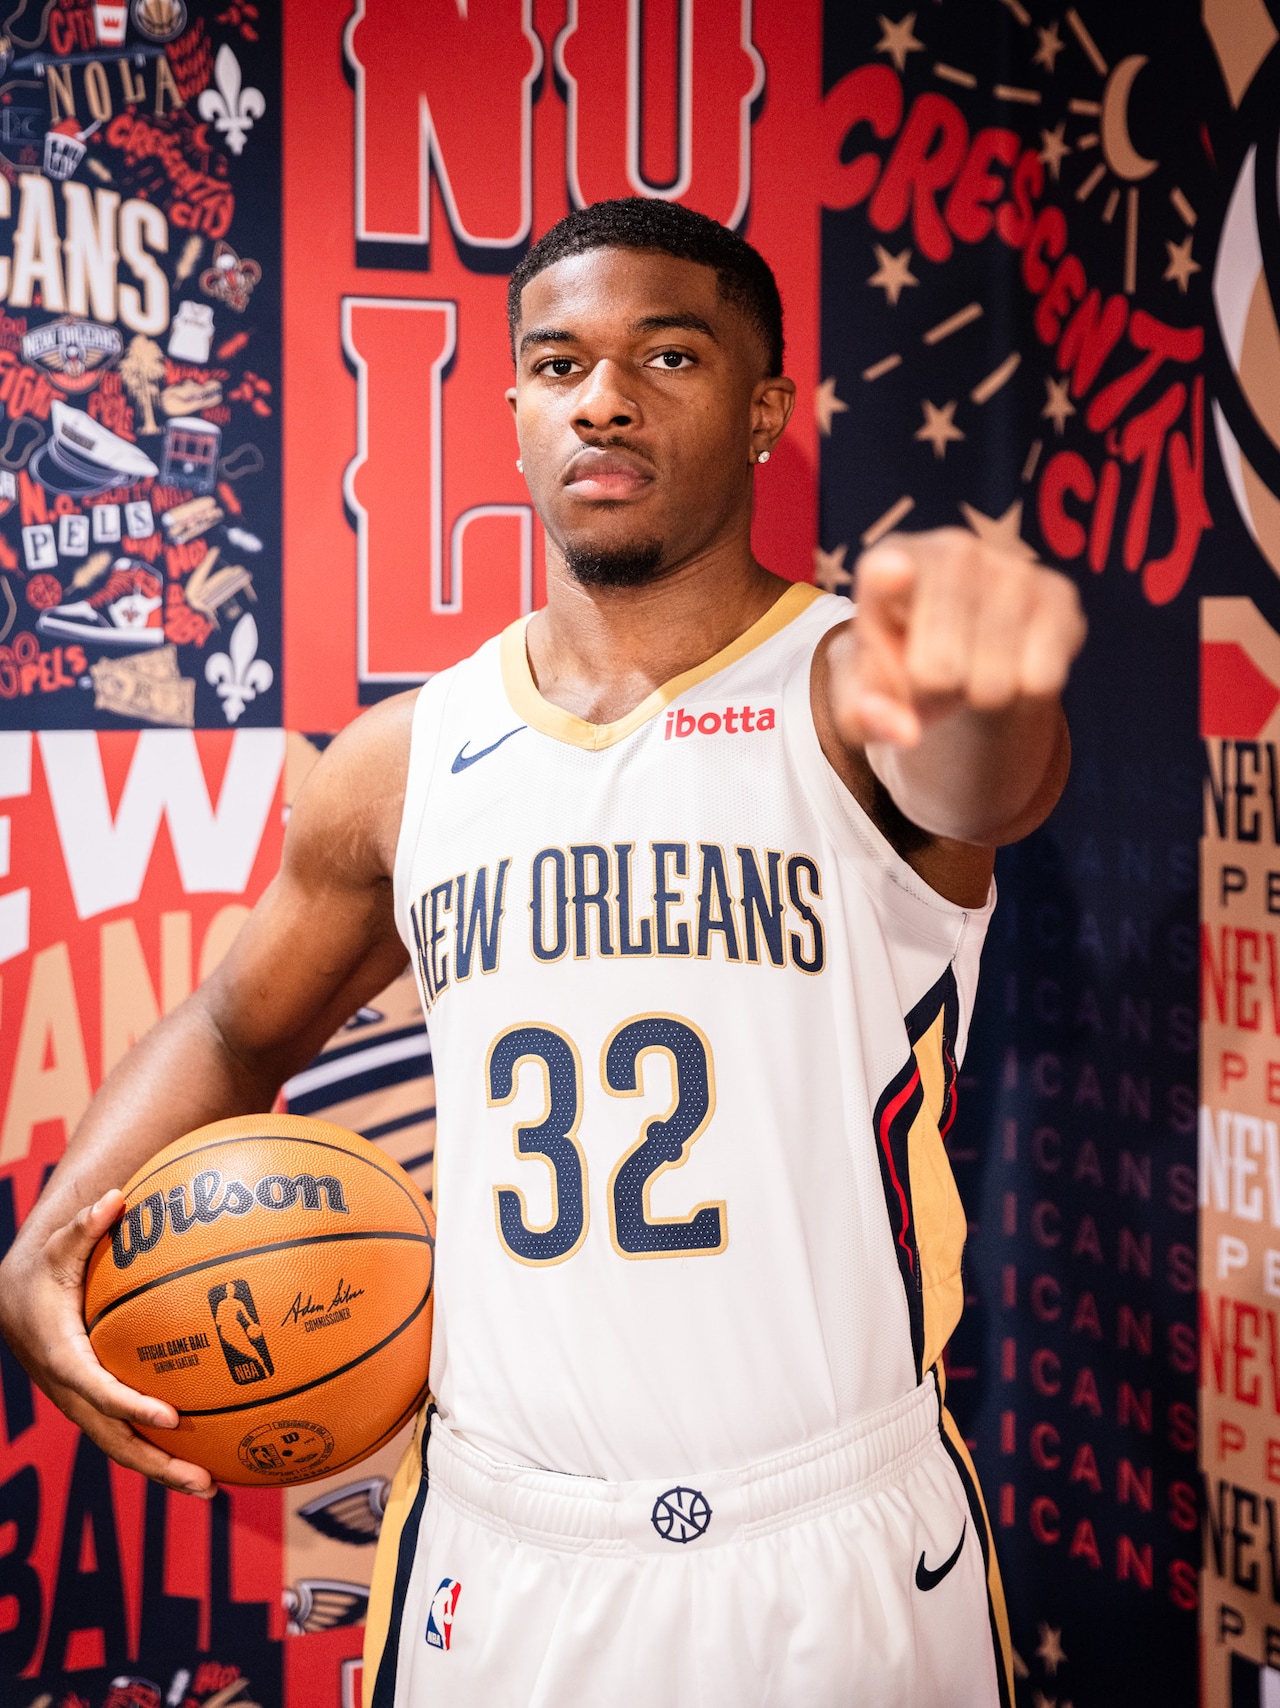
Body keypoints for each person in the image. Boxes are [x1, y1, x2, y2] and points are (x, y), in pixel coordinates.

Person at [0, 198, 1085, 1707]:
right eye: (558, 362)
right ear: (510, 408)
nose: (606, 398)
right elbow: (238, 1031)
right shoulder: (406, 759)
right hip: (501, 1550)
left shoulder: (848, 692)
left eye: (671, 355)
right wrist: (39, 1248)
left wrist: (987, 686)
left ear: (768, 406)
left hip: (833, 1535)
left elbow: (990, 783)